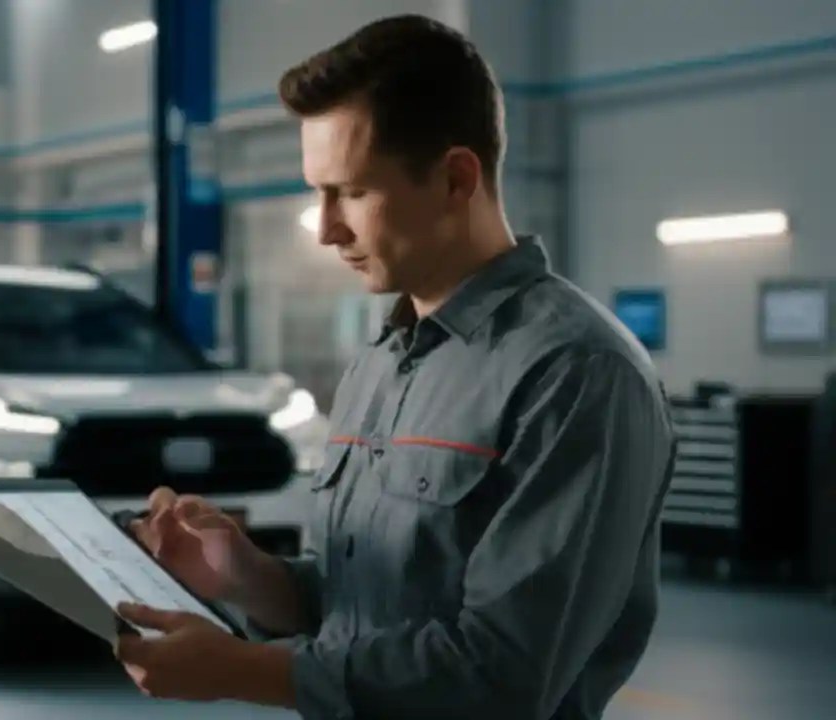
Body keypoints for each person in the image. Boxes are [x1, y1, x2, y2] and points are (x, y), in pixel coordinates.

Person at [113, 13, 676, 720]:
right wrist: (245, 577)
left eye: (350, 192)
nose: (325, 230)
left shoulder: (577, 373)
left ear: (455, 179)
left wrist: (243, 669)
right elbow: (362, 612)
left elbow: (503, 673)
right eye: (317, 193)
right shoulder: (383, 363)